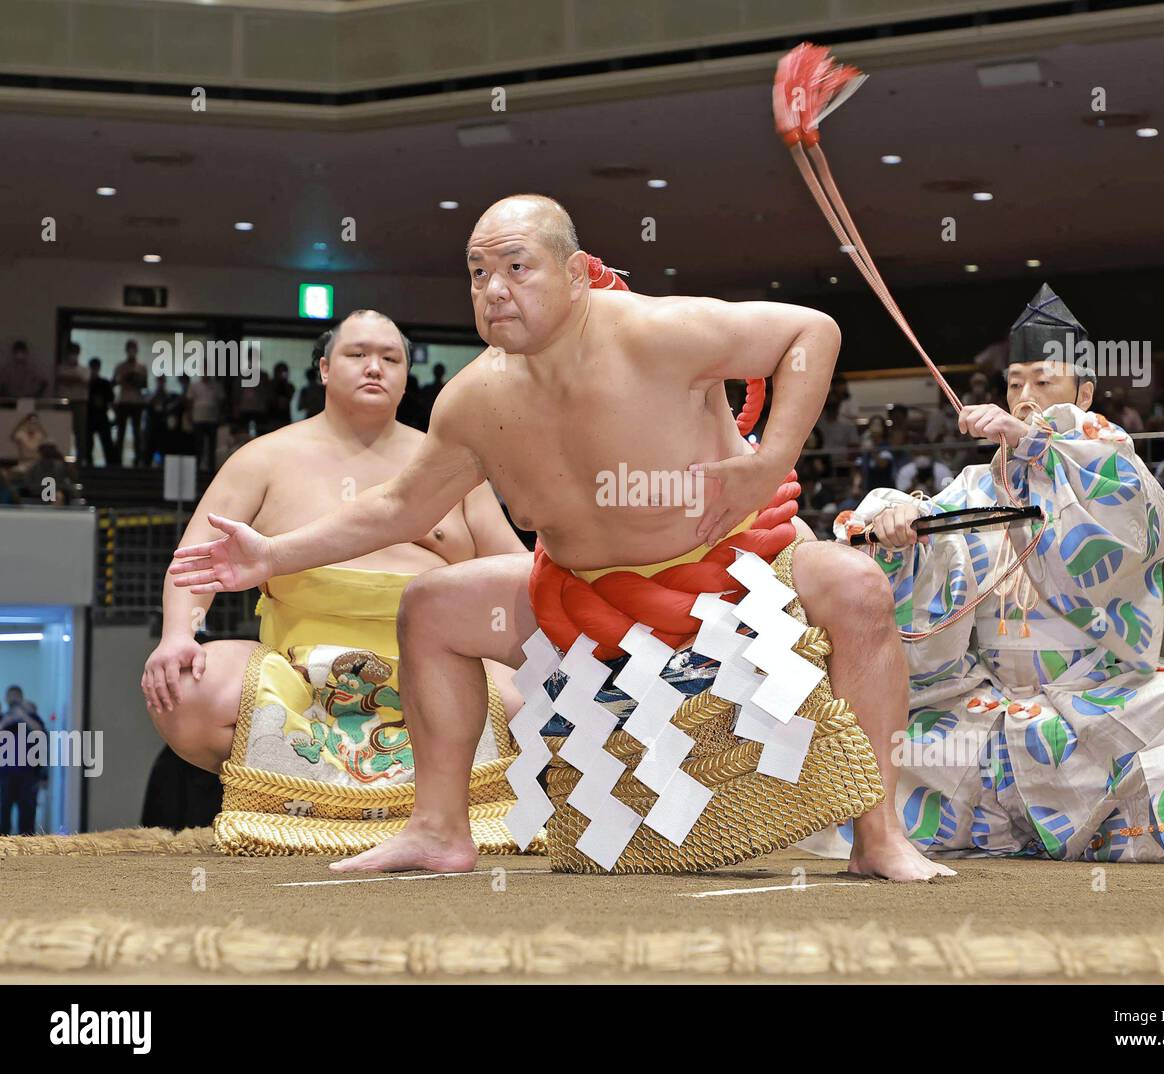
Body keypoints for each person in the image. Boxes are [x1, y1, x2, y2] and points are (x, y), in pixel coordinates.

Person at [168, 194, 949, 881]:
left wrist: (770, 459)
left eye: (516, 266)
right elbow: (400, 507)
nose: (494, 290)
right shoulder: (475, 399)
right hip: (581, 604)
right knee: (434, 606)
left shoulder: (660, 332)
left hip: (730, 573)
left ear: (576, 272)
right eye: (478, 274)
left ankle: (878, 835)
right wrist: (272, 555)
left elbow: (810, 331)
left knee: (856, 585)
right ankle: (439, 829)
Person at [834, 284, 1164, 863]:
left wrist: (1033, 443)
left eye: (1043, 382)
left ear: (1084, 391)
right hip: (990, 700)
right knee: (895, 734)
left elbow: (1132, 521)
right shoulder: (978, 487)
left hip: (1094, 695)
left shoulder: (1110, 470)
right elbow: (934, 542)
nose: (1025, 396)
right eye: (1014, 383)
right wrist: (902, 530)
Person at [143, 310, 529, 819]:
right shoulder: (262, 459)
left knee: (535, 695)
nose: (375, 367)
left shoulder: (454, 466)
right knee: (187, 690)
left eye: (390, 358)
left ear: (405, 375)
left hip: (438, 667)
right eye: (358, 354)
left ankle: (435, 808)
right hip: (297, 667)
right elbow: (195, 562)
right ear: (324, 368)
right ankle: (300, 793)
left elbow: (516, 570)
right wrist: (177, 635)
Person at [0, 686, 47, 836]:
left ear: (21, 698)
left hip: (28, 776)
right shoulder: (3, 717)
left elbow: (40, 732)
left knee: (27, 820)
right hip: (4, 776)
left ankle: (25, 854)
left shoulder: (32, 718)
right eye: (11, 696)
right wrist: (8, 719)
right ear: (6, 699)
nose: (13, 699)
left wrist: (23, 716)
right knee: (2, 818)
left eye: (16, 696)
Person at [112, 340, 148, 466]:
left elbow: (144, 385)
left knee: (137, 432)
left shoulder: (142, 368)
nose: (132, 351)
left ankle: (138, 459)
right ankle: (117, 460)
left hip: (137, 402)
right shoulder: (120, 367)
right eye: (130, 349)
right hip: (123, 401)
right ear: (126, 350)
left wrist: (135, 380)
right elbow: (114, 383)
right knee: (120, 432)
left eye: (134, 348)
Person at [54, 342, 90, 464]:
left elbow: (82, 381)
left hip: (80, 403)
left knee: (80, 431)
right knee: (63, 430)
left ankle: (81, 459)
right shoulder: (61, 368)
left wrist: (69, 379)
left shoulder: (84, 370)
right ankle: (62, 457)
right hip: (65, 403)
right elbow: (61, 379)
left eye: (74, 353)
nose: (72, 355)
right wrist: (74, 380)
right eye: (71, 353)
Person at [188, 373, 224, 471]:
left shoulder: (217, 386)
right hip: (198, 418)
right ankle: (197, 466)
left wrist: (220, 416)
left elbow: (221, 402)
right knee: (199, 444)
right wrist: (190, 416)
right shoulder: (194, 386)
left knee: (212, 445)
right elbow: (190, 402)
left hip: (212, 418)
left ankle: (211, 467)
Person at [86, 357, 117, 465]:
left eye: (96, 368)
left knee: (107, 442)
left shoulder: (104, 383)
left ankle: (111, 464)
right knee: (88, 443)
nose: (94, 370)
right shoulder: (86, 384)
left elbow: (110, 401)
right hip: (89, 416)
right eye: (92, 368)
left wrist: (114, 416)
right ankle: (88, 463)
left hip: (102, 415)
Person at [264, 362, 295, 432]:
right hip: (272, 417)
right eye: (280, 372)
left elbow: (289, 397)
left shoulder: (289, 386)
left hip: (284, 417)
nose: (282, 374)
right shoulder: (270, 385)